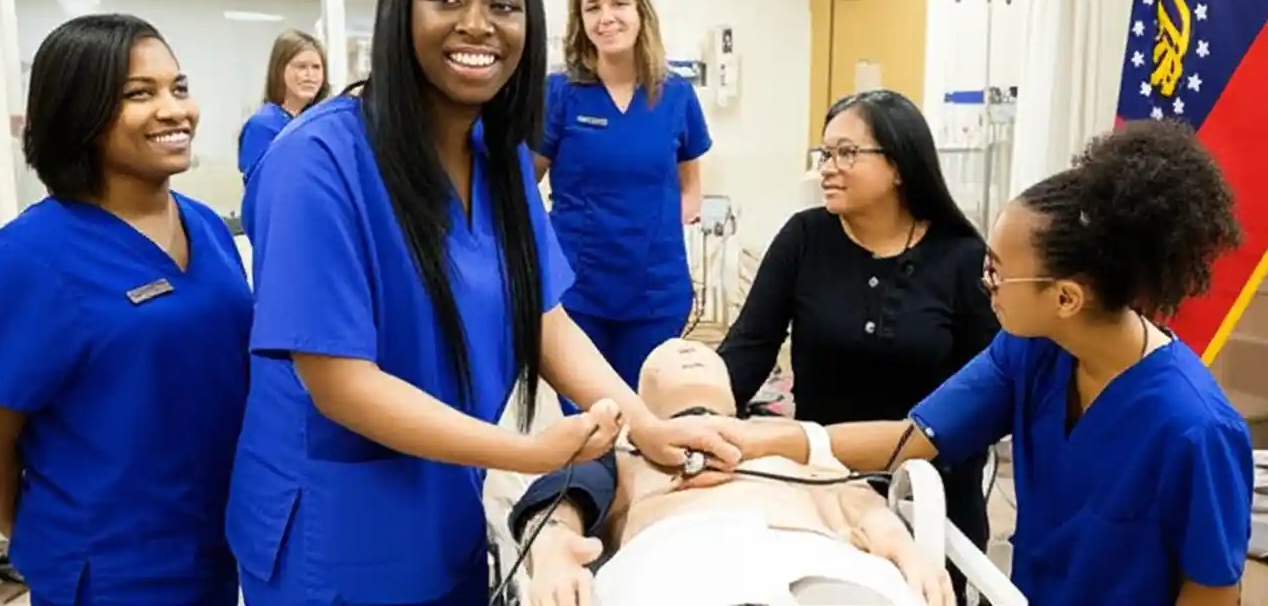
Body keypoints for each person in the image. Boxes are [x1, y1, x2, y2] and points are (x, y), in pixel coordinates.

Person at [225, 0, 740, 606]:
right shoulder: (317, 160)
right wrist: (527, 453)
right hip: (331, 525)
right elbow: (339, 382)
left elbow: (543, 317)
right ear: (398, 14)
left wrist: (648, 428)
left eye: (503, 5)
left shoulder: (496, 161)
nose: (478, 23)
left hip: (442, 497)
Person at [716, 120, 1253, 605]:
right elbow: (913, 438)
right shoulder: (1033, 350)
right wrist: (764, 441)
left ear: (1065, 298)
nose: (985, 285)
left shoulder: (1195, 428)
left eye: (996, 272)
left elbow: (1211, 589)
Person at [0, 14, 251, 605]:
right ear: (78, 112)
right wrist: (54, 539)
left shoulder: (206, 227)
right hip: (110, 570)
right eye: (140, 94)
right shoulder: (26, 259)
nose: (174, 109)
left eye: (178, 88)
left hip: (216, 550)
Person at [719, 89, 997, 602]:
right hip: (824, 489)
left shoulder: (962, 259)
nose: (828, 167)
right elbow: (748, 349)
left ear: (899, 166)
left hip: (930, 495)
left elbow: (984, 395)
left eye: (847, 153)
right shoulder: (804, 239)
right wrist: (702, 415)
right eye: (825, 154)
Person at [508, 339, 953, 606]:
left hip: (816, 558)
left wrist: (903, 548)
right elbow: (564, 496)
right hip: (675, 565)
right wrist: (550, 548)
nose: (686, 350)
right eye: (665, 358)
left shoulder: (782, 437)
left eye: (701, 352)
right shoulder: (626, 450)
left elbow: (856, 501)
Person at [534, 0, 711, 411]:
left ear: (641, 12)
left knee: (647, 418)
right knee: (590, 420)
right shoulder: (561, 92)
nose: (606, 17)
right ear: (580, 21)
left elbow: (691, 180)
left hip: (655, 288)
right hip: (578, 287)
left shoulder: (675, 94)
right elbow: (522, 186)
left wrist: (664, 227)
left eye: (618, 3)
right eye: (592, 7)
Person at [236, 28, 329, 180]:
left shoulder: (319, 122)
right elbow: (262, 187)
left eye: (316, 67)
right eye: (301, 66)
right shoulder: (263, 126)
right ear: (279, 70)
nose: (310, 75)